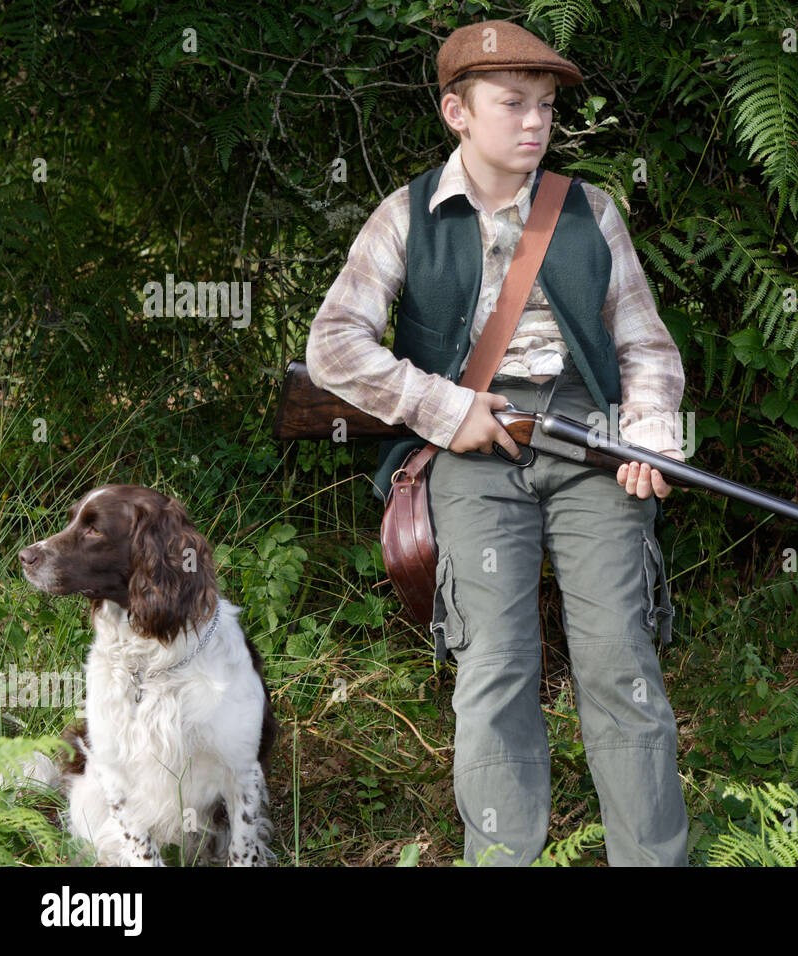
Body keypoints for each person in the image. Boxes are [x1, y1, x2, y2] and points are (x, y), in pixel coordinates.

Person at [306, 19, 689, 866]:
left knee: (620, 660)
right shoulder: (405, 215)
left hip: (593, 440)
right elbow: (333, 345)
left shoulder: (591, 212)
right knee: (499, 668)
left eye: (545, 106)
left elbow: (645, 347)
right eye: (510, 103)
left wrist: (651, 433)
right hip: (474, 450)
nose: (533, 123)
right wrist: (442, 409)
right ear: (456, 112)